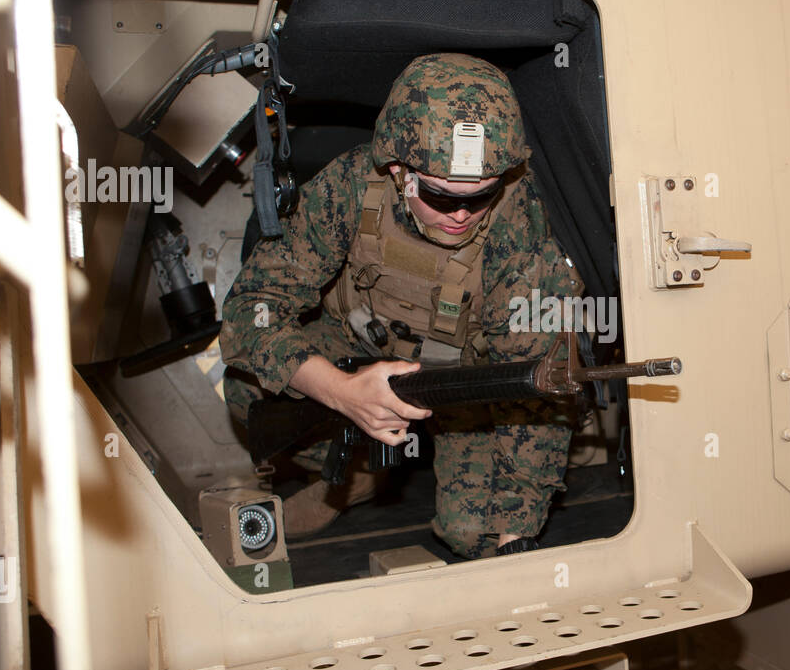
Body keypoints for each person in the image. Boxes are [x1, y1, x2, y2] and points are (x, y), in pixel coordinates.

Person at [220, 53, 581, 558]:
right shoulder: (348, 187)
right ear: (396, 168)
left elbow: (537, 389)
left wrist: (515, 538)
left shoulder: (521, 225)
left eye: (481, 197)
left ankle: (405, 457)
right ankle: (360, 473)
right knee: (251, 390)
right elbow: (251, 309)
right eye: (439, 195)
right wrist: (343, 392)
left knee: (471, 535)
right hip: (361, 351)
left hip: (465, 383)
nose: (461, 214)